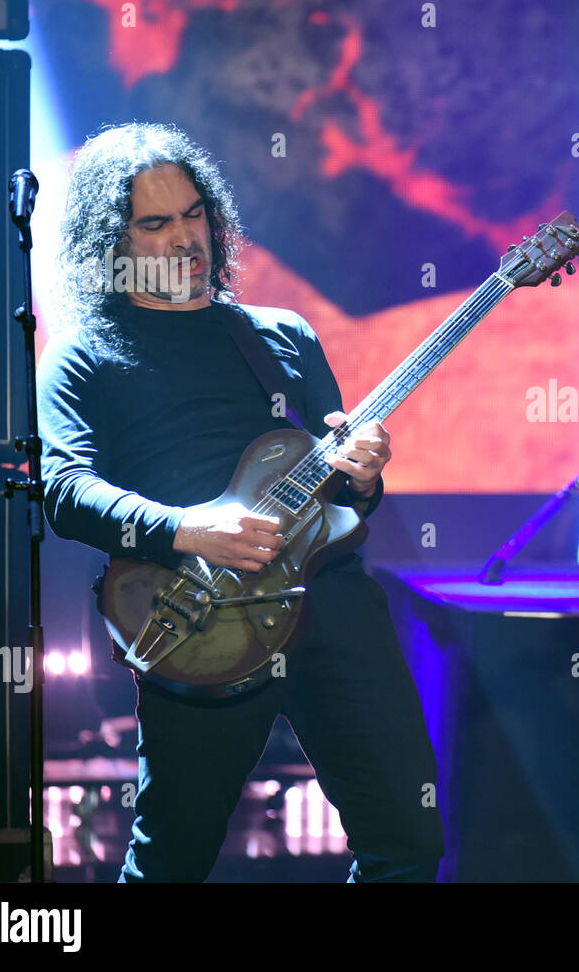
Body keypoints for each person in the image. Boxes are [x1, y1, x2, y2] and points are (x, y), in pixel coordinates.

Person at [38, 123, 444, 882]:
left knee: (410, 844)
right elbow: (64, 489)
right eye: (155, 224)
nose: (185, 238)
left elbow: (346, 500)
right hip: (199, 617)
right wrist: (189, 529)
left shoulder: (281, 334)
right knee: (172, 865)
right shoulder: (83, 355)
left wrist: (363, 470)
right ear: (111, 240)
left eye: (194, 214)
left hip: (331, 606)